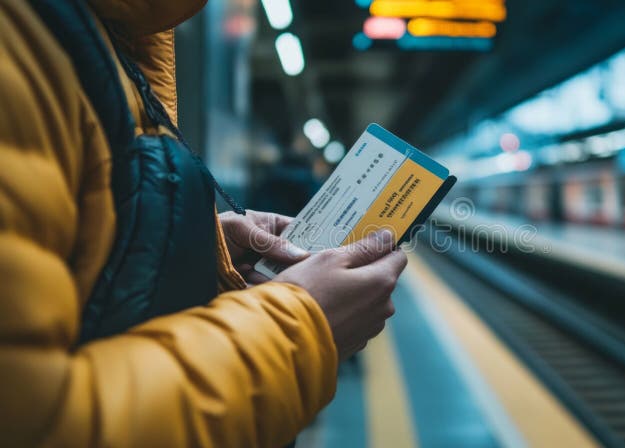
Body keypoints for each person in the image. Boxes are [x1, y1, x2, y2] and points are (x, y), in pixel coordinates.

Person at [0, 1, 406, 446]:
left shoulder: (112, 36)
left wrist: (202, 251)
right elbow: (37, 426)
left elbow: (89, 264)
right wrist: (302, 329)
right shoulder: (24, 35)